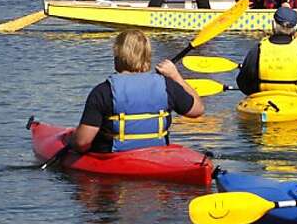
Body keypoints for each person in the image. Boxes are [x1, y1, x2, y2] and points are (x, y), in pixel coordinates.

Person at [67, 29, 204, 154]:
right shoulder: (167, 86)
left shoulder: (103, 91)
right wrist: (175, 76)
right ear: (147, 56)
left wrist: (69, 140)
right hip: (157, 155)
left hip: (113, 160)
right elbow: (198, 110)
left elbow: (82, 142)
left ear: (117, 56)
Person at [236, 7, 297, 99]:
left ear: (273, 24)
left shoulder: (257, 51)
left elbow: (243, 85)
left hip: (264, 102)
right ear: (295, 27)